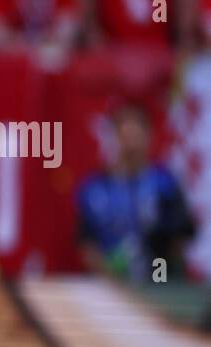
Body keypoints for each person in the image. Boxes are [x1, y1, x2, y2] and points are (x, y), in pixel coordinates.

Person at [77, 103, 195, 281]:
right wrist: (109, 276)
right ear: (114, 138)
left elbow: (177, 240)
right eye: (125, 136)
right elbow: (87, 243)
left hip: (157, 278)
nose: (131, 145)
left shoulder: (165, 184)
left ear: (148, 137)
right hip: (110, 283)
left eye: (136, 136)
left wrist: (159, 278)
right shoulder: (94, 188)